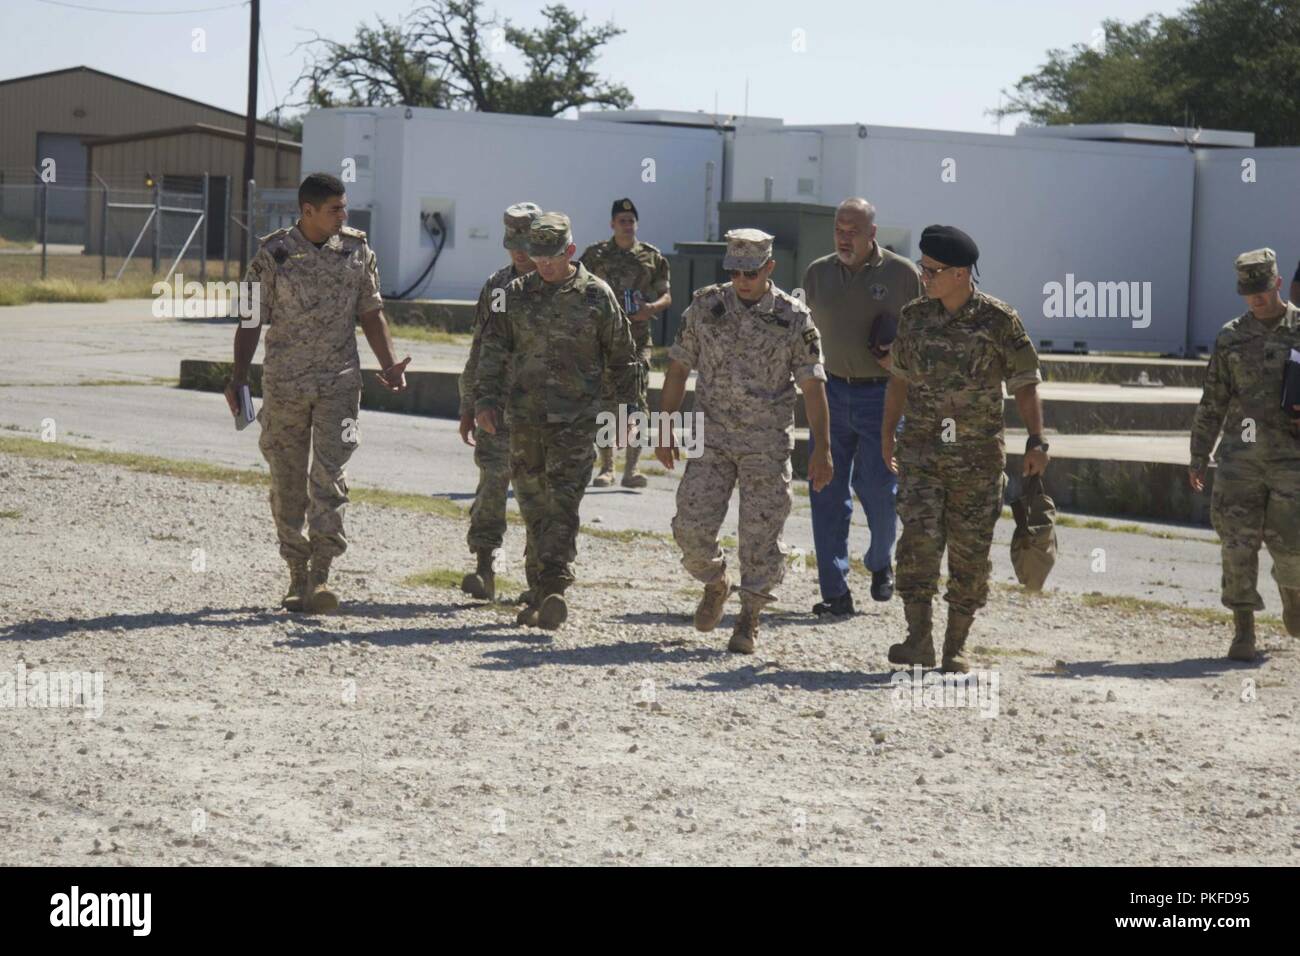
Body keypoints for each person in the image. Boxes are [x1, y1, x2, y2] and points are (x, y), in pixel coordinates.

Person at [224, 172, 409, 613]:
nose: (344, 215)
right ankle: (296, 575)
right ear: (308, 211)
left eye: (345, 207)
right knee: (287, 482)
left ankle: (322, 575)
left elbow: (372, 312)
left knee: (329, 477)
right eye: (335, 209)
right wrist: (239, 378)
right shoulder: (273, 254)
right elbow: (251, 319)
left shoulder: (356, 251)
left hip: (340, 384)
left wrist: (389, 364)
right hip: (284, 385)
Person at [656, 228, 833, 654]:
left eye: (750, 272)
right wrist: (664, 426)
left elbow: (813, 387)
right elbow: (678, 369)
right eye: (734, 271)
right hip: (710, 438)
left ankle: (750, 618)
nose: (742, 280)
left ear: (769, 268)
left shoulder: (793, 318)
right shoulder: (705, 307)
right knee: (690, 528)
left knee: (760, 539)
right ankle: (717, 583)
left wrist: (822, 448)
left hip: (766, 446)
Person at [883, 225, 1046, 673]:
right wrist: (886, 433)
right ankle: (918, 640)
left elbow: (1025, 384)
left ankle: (956, 646)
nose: (924, 276)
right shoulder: (915, 317)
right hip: (920, 454)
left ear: (960, 274)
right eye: (922, 267)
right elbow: (898, 378)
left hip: (976, 460)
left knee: (970, 552)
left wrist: (1037, 440)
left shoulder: (998, 321)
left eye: (932, 270)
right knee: (916, 546)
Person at [474, 212, 640, 630]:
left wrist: (627, 414)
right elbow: (491, 352)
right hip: (524, 420)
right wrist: (484, 401)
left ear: (570, 251)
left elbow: (623, 359)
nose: (544, 265)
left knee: (562, 505)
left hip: (576, 420)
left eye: (552, 258)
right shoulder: (513, 294)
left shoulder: (597, 296)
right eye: (537, 257)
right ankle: (536, 591)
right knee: (533, 508)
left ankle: (553, 589)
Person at [802, 198, 921, 616]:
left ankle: (878, 562)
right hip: (829, 393)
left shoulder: (903, 275)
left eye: (853, 230)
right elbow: (804, 336)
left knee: (882, 490)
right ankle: (835, 592)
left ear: (873, 233)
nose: (844, 237)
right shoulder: (817, 274)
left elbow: (924, 334)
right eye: (839, 228)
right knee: (825, 489)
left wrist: (898, 357)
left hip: (883, 396)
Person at [1189, 247, 1300, 660]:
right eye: (1247, 291)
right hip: (1241, 455)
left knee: (1292, 545)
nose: (1255, 298)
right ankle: (1243, 631)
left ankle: (1293, 597)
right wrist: (1199, 454)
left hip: (1292, 458)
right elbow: (1213, 400)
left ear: (1276, 282)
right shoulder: (1231, 336)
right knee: (1237, 543)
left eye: (1261, 290)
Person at [457, 202, 541, 603]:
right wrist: (469, 401)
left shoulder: (557, 285)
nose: (519, 251)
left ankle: (539, 579)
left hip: (543, 412)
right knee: (492, 484)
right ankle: (485, 567)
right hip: (496, 406)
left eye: (526, 242)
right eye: (513, 243)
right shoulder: (497, 287)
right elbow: (480, 346)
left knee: (537, 493)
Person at [579, 198, 672, 488]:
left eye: (631, 221)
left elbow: (666, 295)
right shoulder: (595, 255)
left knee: (635, 402)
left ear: (637, 224)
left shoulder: (652, 257)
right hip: (603, 340)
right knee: (606, 402)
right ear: (612, 224)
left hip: (638, 340)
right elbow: (577, 286)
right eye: (622, 220)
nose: (627, 225)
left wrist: (650, 309)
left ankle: (631, 470)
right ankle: (606, 467)